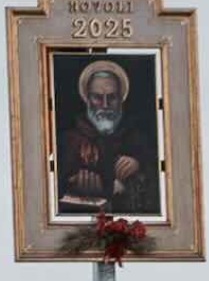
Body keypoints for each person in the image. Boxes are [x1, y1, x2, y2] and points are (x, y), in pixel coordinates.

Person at [55, 57, 158, 215]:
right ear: (87, 99)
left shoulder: (137, 137)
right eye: (97, 97)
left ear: (121, 98)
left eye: (111, 97)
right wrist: (76, 184)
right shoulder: (68, 140)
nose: (104, 105)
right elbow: (55, 184)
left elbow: (159, 176)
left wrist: (139, 166)